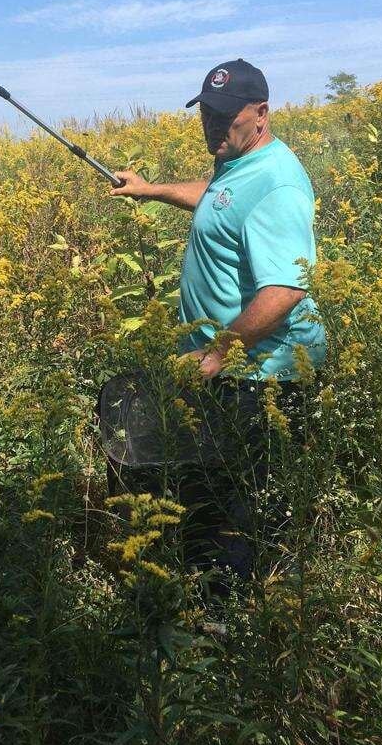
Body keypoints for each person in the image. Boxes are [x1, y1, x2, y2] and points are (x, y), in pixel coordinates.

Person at [108, 58, 326, 584]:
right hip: (226, 366)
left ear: (261, 114)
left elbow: (286, 289)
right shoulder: (240, 163)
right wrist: (151, 189)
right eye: (206, 112)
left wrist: (218, 352)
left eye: (225, 115)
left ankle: (231, 618)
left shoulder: (278, 185)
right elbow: (218, 199)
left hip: (261, 374)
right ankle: (209, 588)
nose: (212, 126)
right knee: (210, 483)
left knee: (240, 499)